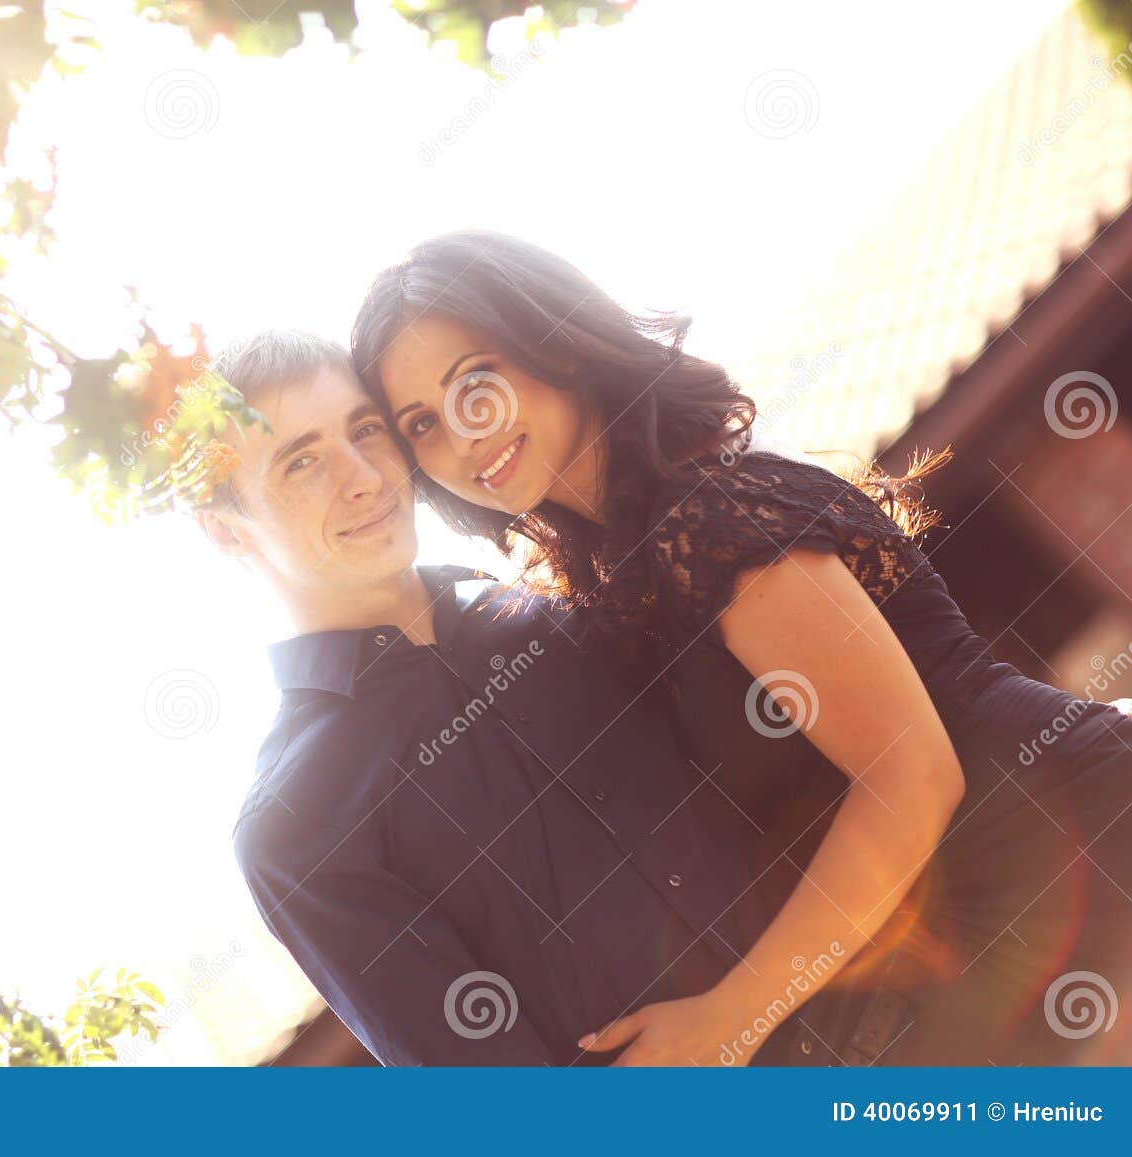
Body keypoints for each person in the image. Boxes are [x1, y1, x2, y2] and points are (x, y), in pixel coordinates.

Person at [351, 228, 1132, 1065]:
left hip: (1085, 857)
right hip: (993, 942)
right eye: (422, 425)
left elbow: (909, 777)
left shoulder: (708, 518)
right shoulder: (628, 579)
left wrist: (731, 1016)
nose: (465, 436)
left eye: (477, 380)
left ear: (557, 340)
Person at [204, 329, 910, 1066]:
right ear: (225, 532)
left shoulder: (574, 603)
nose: (366, 478)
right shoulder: (296, 829)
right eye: (303, 462)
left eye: (367, 430)